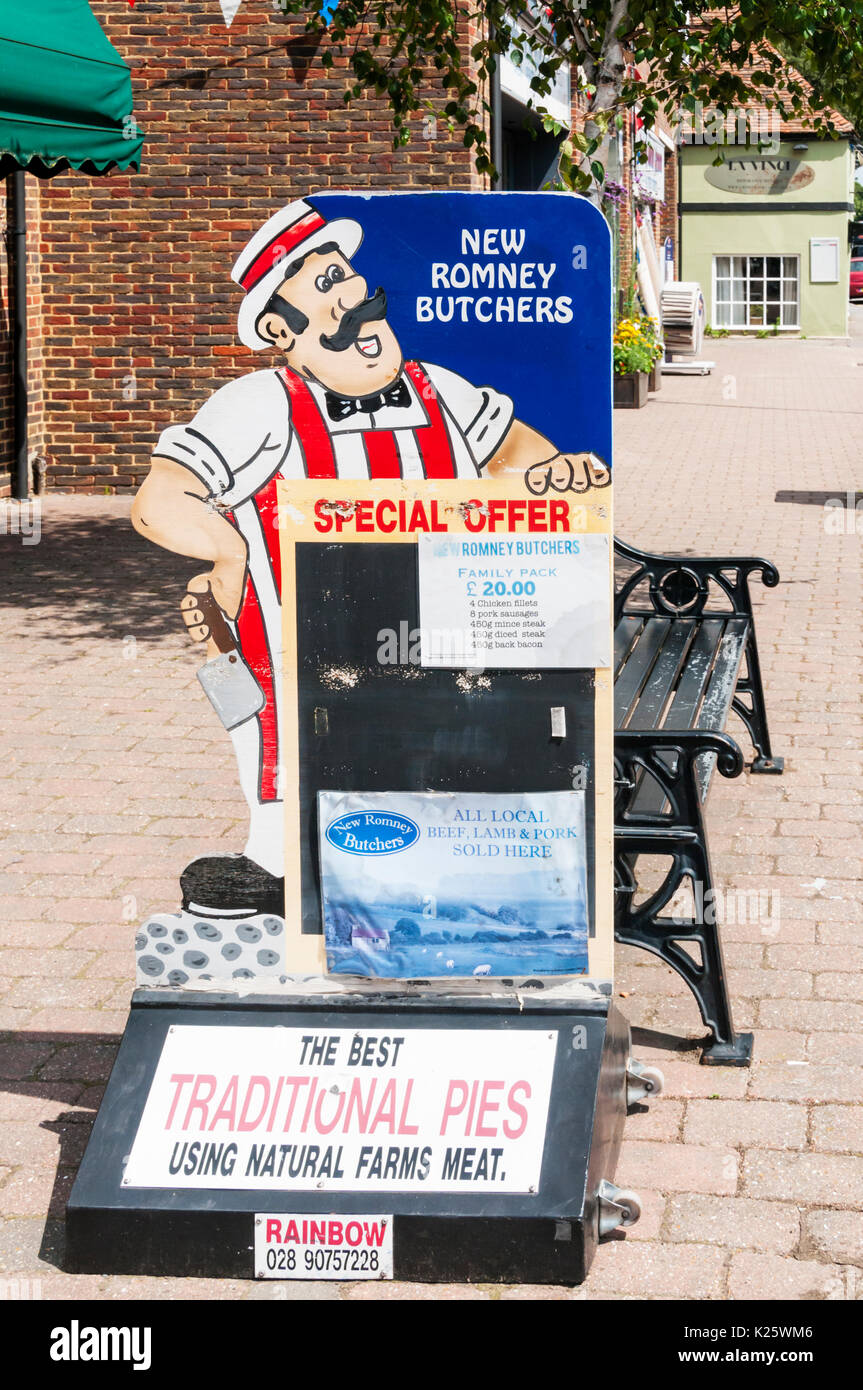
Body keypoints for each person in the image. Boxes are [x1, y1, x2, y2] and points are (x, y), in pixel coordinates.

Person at [132, 197, 608, 917]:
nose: (354, 297)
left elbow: (518, 454)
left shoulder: (438, 389)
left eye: (349, 279)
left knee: (460, 741)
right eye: (325, 287)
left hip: (452, 631)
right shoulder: (258, 405)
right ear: (276, 328)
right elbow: (160, 499)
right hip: (304, 647)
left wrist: (553, 476)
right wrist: (226, 556)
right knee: (277, 722)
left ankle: (467, 867)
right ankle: (280, 866)